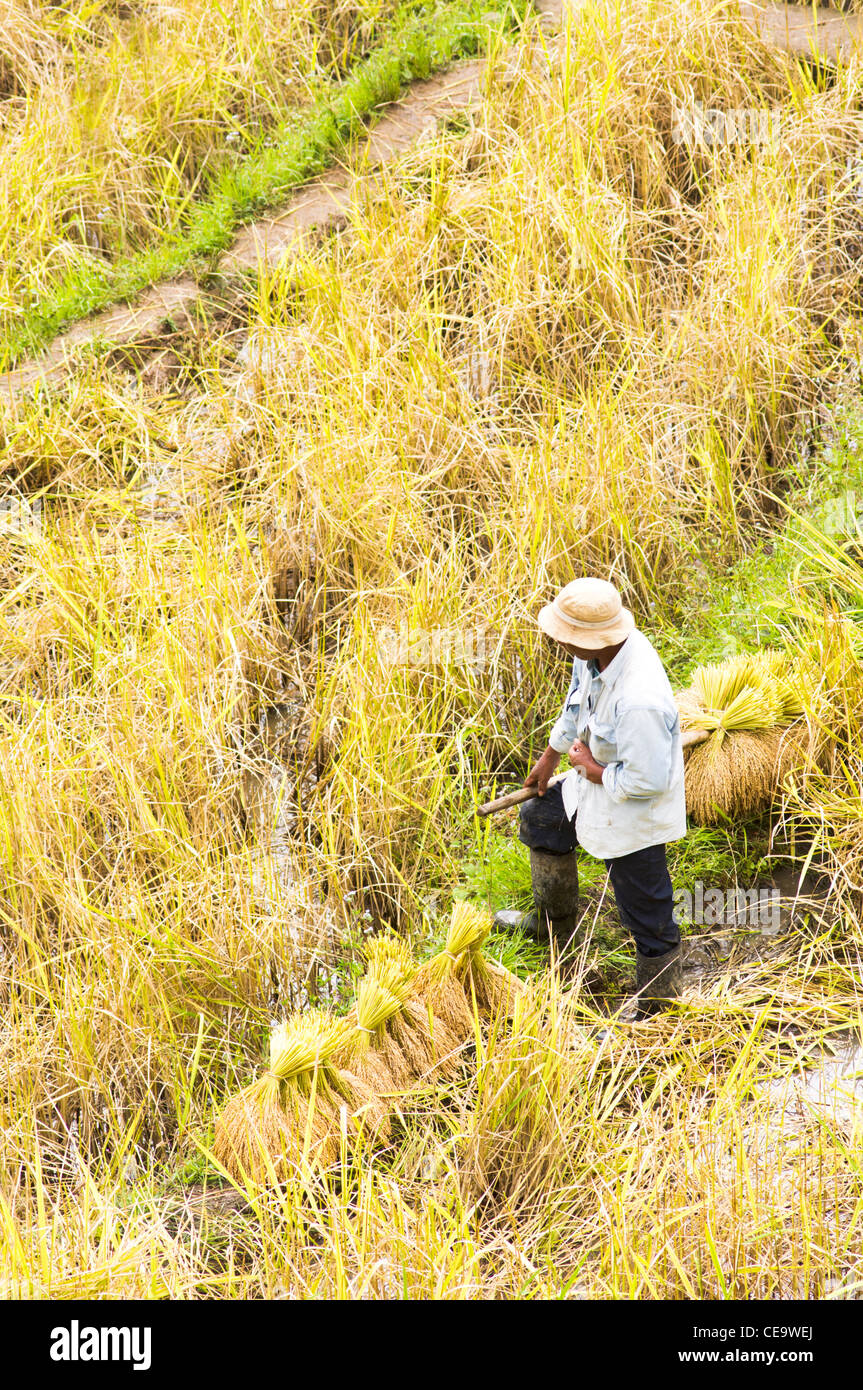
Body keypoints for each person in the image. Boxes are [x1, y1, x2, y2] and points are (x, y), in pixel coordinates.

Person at [495, 576, 686, 1015]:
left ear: (591, 637)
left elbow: (648, 782)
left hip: (635, 809)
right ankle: (553, 926)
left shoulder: (639, 699)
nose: (560, 643)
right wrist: (552, 757)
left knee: (645, 908)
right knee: (542, 816)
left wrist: (591, 768)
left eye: (566, 637)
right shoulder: (596, 656)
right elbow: (574, 706)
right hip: (594, 776)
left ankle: (658, 1004)